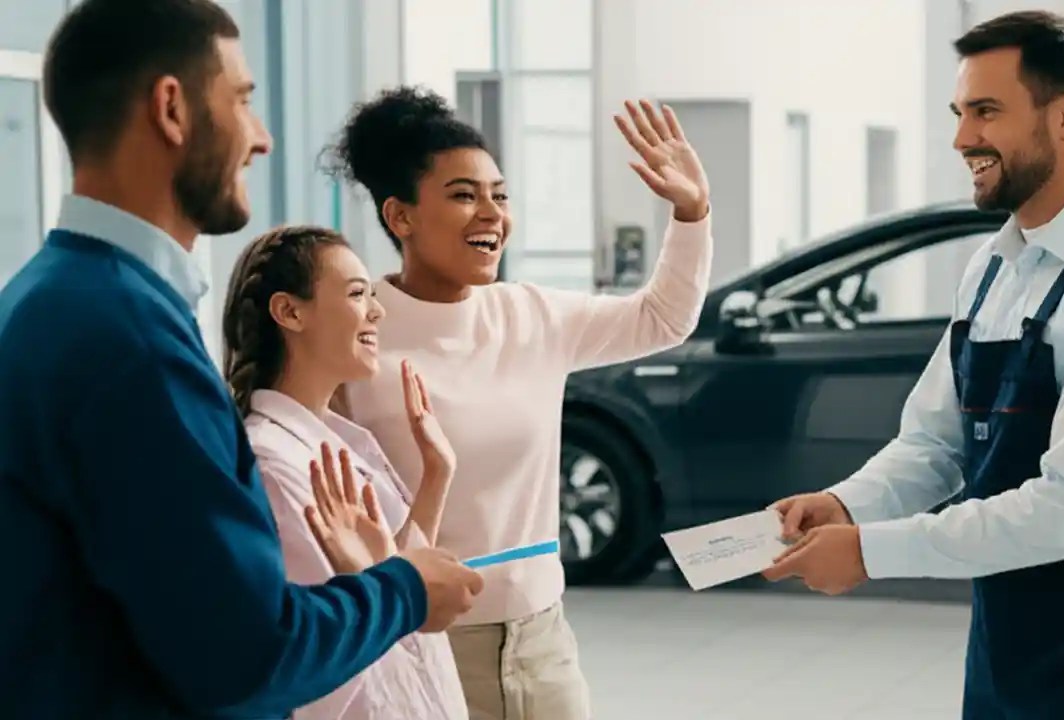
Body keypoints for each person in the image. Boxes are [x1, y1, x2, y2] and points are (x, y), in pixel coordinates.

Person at [0, 2, 480, 717]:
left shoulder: (45, 298)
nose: (261, 138)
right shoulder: (128, 338)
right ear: (172, 108)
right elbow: (248, 654)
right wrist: (404, 590)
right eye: (244, 101)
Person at [762, 11, 1064, 720]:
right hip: (1005, 663)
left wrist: (871, 551)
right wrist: (849, 505)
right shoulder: (994, 267)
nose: (961, 137)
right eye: (958, 112)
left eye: (986, 111)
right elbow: (935, 443)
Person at [326, 86, 714, 719]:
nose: (491, 215)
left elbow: (662, 319)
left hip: (542, 645)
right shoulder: (355, 328)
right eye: (463, 196)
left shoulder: (531, 315)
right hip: (417, 645)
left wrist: (692, 212)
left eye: (499, 196)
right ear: (400, 217)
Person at [221, 225, 474, 719]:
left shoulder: (334, 442)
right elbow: (325, 660)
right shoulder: (275, 465)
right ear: (290, 312)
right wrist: (378, 579)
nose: (377, 311)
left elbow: (392, 577)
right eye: (358, 294)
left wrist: (437, 475)